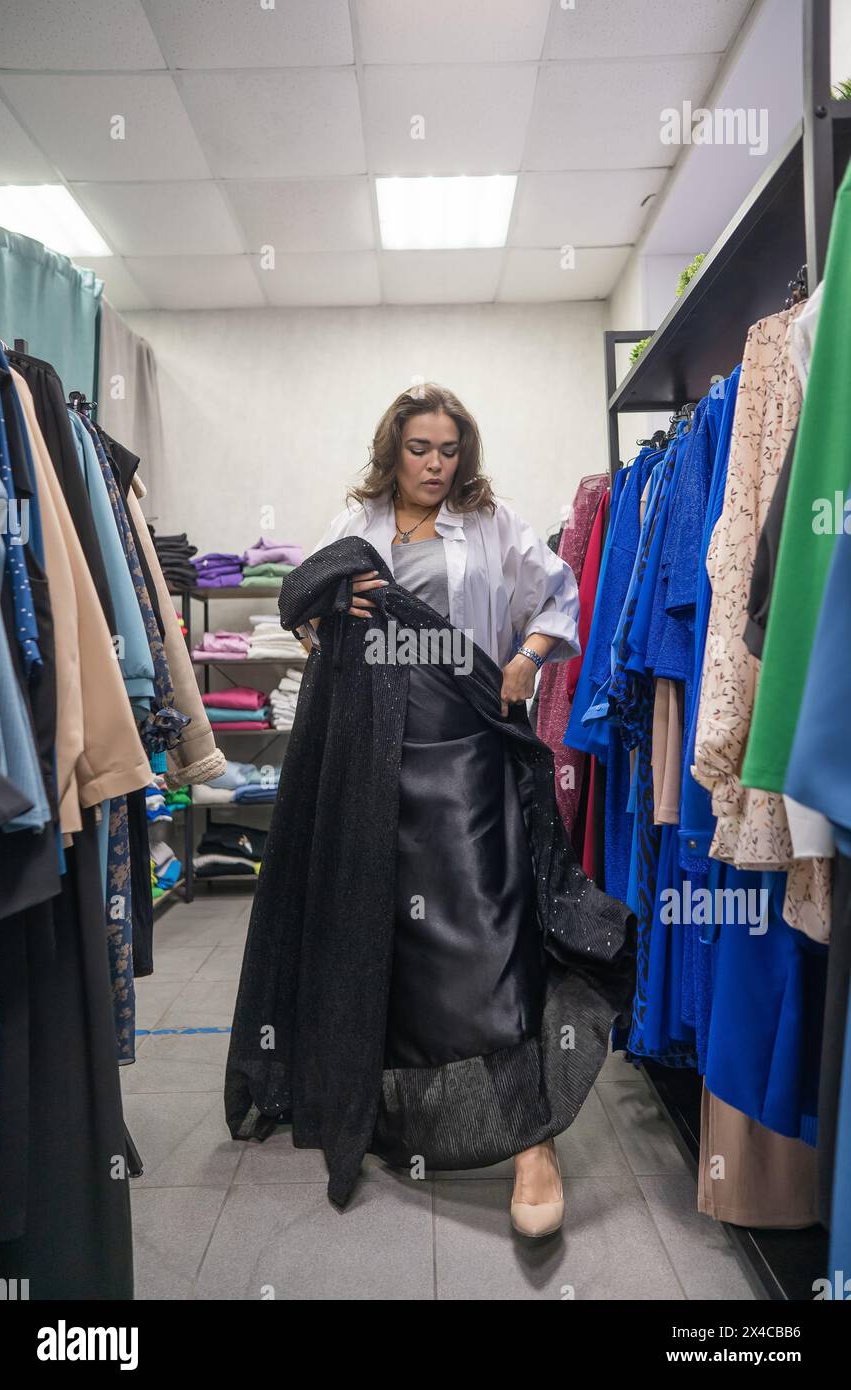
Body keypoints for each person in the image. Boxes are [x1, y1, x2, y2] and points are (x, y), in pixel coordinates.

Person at [301, 383, 582, 1234]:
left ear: (466, 454)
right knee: (401, 935)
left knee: (487, 928)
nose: (434, 465)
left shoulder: (492, 521)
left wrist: (530, 656)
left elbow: (558, 593)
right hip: (379, 758)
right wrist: (331, 610)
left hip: (468, 747)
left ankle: (532, 1137)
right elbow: (309, 619)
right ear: (393, 451)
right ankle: (402, 1101)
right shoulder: (357, 523)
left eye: (448, 450)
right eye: (419, 449)